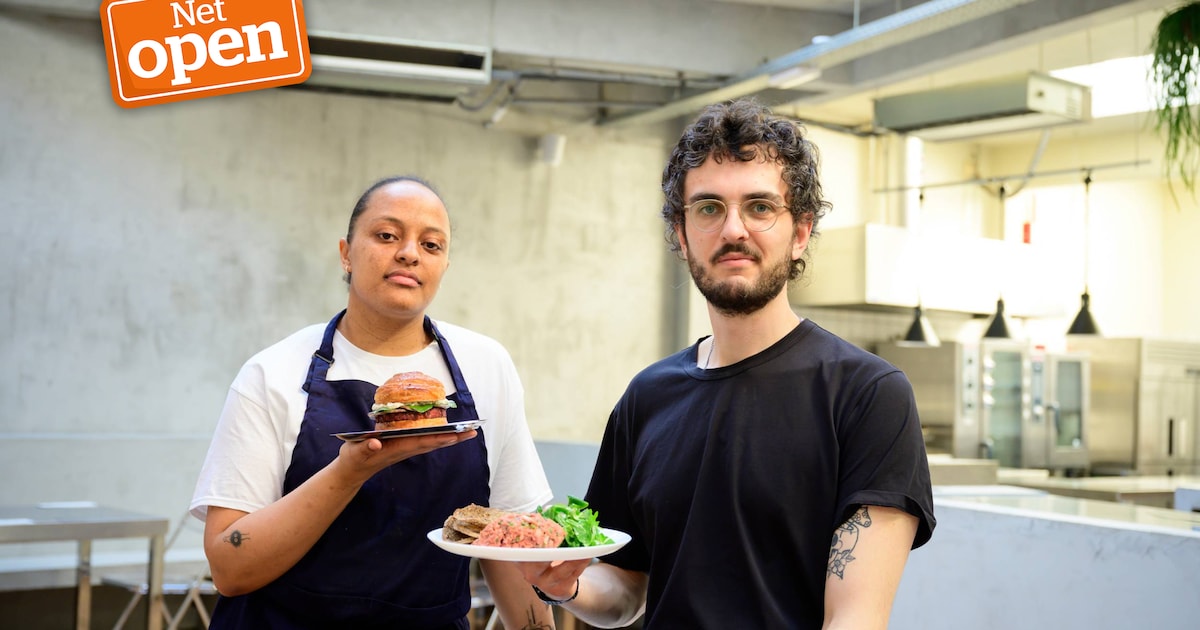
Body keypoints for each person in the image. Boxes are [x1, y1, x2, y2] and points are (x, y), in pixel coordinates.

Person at [519, 99, 936, 629]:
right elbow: (625, 590)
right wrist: (569, 583)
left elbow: (855, 619)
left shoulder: (867, 394)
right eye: (709, 208)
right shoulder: (647, 397)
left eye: (760, 207)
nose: (733, 229)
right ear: (681, 233)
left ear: (800, 231)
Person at [190, 176, 559, 629]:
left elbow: (509, 543)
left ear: (444, 265)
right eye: (387, 235)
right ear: (345, 253)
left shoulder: (488, 367)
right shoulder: (272, 373)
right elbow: (230, 568)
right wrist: (352, 470)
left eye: (432, 244)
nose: (409, 253)